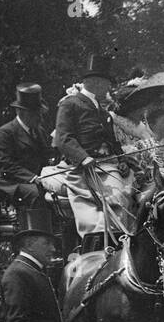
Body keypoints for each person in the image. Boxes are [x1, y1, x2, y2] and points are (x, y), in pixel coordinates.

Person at [51, 54, 133, 251]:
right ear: (95, 82)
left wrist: (121, 159)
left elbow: (113, 143)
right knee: (109, 205)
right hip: (83, 168)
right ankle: (98, 245)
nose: (108, 89)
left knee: (127, 193)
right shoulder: (70, 104)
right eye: (107, 84)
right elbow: (63, 138)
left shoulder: (104, 113)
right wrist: (83, 157)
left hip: (108, 166)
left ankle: (122, 240)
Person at [0, 83, 55, 209]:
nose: (40, 117)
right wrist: (32, 178)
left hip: (36, 179)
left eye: (40, 113)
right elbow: (6, 165)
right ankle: (42, 227)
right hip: (10, 183)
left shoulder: (39, 131)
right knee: (39, 195)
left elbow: (47, 154)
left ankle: (59, 226)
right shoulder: (5, 133)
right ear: (20, 112)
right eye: (35, 113)